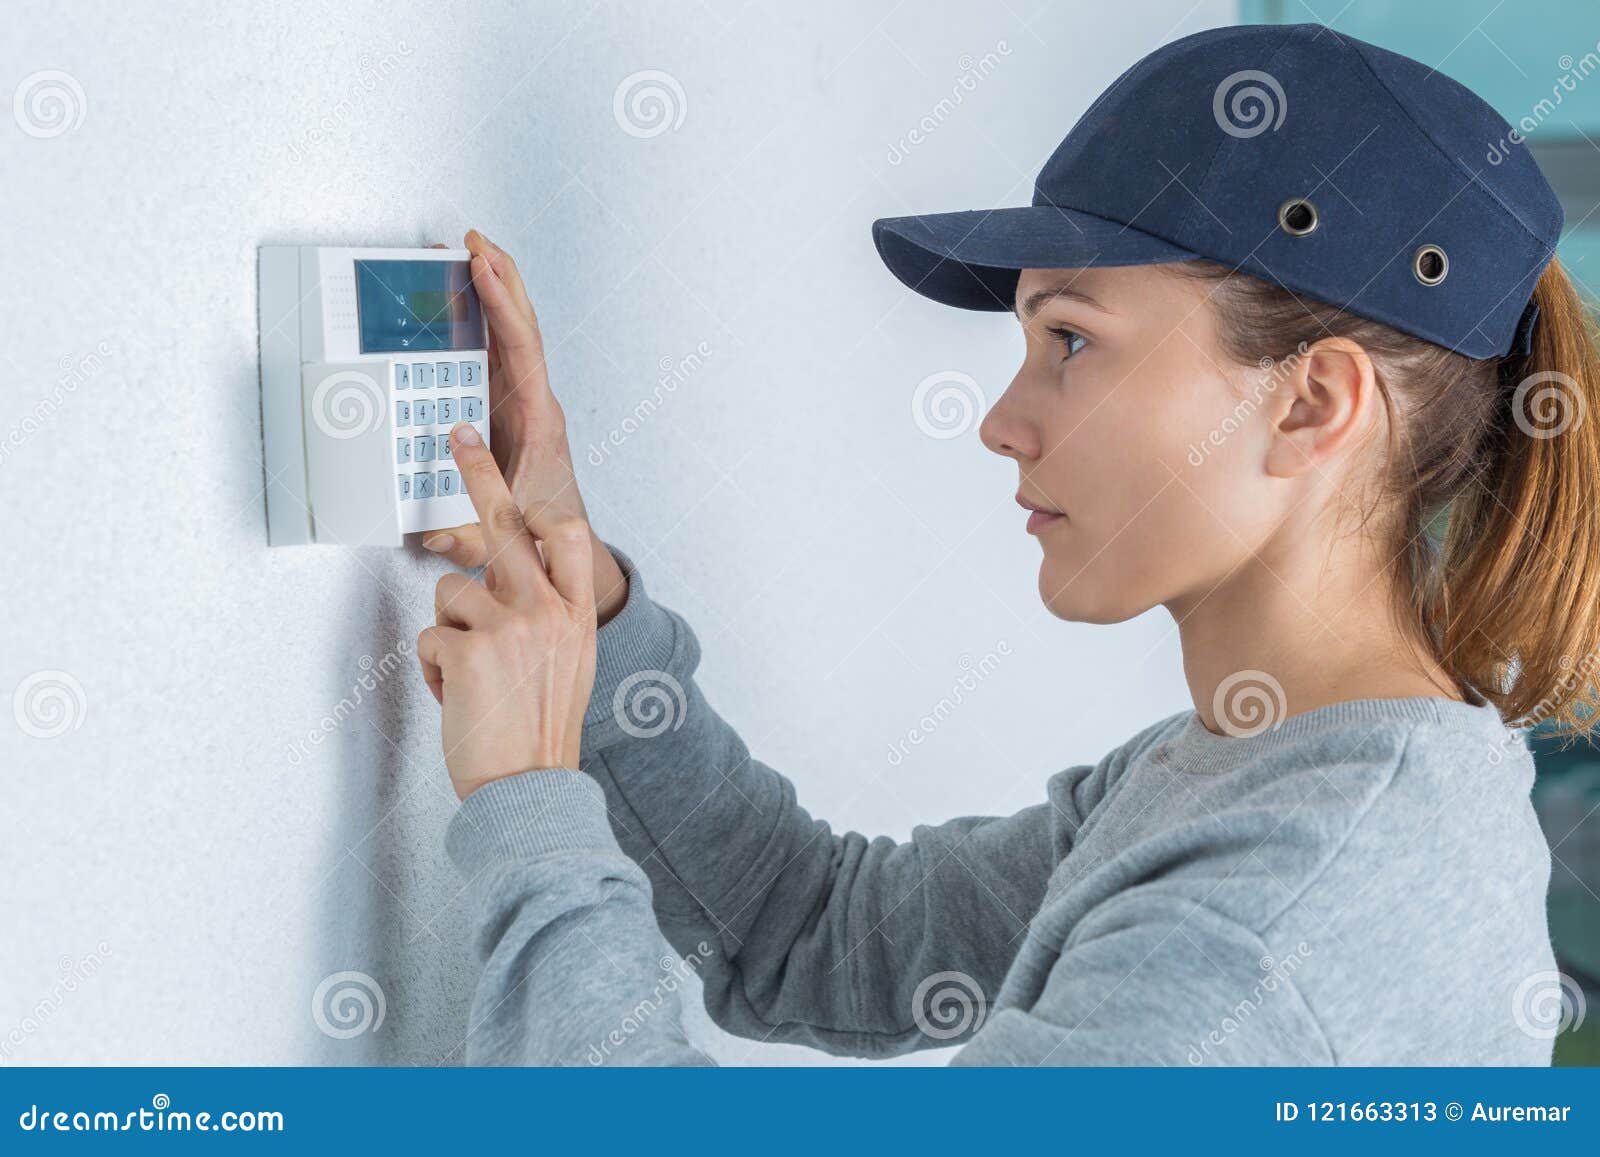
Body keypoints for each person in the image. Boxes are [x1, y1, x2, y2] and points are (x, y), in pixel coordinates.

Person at [414, 23, 1600, 1065]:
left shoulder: (1267, 917)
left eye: (1070, 340)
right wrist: (583, 596)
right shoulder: (1263, 767)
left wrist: (529, 803)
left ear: (1308, 405)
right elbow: (814, 930)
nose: (1000, 421)